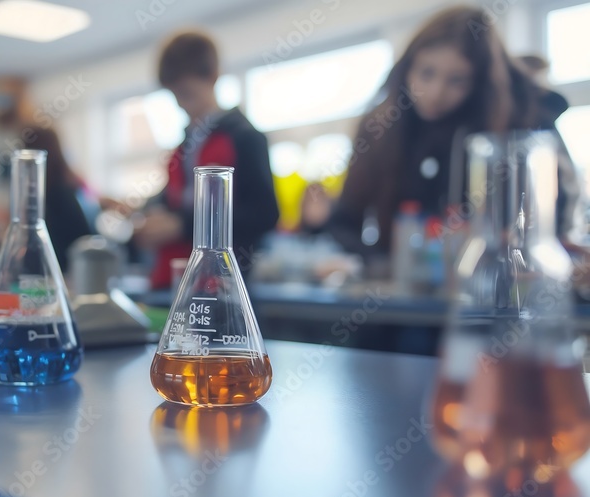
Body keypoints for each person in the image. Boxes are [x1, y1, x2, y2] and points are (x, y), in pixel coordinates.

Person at [327, 6, 581, 258]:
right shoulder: (381, 128)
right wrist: (376, 264)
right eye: (426, 73)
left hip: (492, 277)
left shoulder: (519, 123)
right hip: (400, 280)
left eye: (457, 80)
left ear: (480, 83)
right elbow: (344, 223)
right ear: (407, 68)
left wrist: (518, 247)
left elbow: (555, 214)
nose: (435, 93)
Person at [136, 31, 279, 288]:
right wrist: (147, 217)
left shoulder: (245, 137)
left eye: (187, 93)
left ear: (213, 76)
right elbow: (174, 200)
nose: (182, 105)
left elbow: (265, 213)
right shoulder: (185, 147)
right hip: (179, 277)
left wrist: (182, 226)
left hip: (227, 282)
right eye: (175, 95)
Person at [19, 126, 93, 272]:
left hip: (64, 274)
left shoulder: (51, 195)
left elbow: (39, 253)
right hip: (77, 270)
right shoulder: (68, 185)